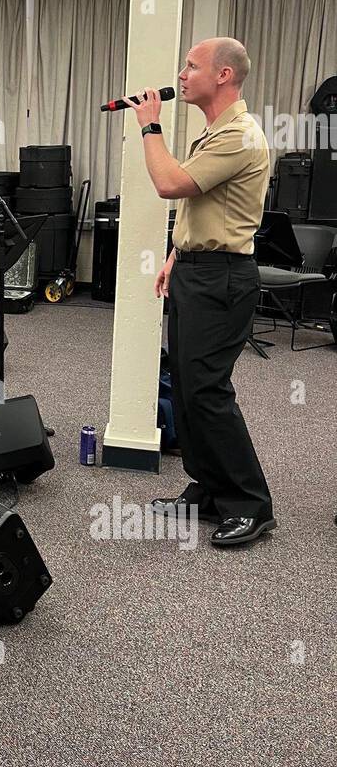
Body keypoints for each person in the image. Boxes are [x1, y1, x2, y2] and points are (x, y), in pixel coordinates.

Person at [126, 37, 274, 547]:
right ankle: (211, 490)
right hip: (197, 269)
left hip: (223, 278)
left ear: (224, 76)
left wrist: (149, 125)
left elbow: (170, 184)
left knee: (208, 391)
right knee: (187, 388)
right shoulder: (214, 133)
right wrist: (175, 256)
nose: (182, 75)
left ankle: (251, 505)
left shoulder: (240, 137)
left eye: (192, 66)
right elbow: (204, 207)